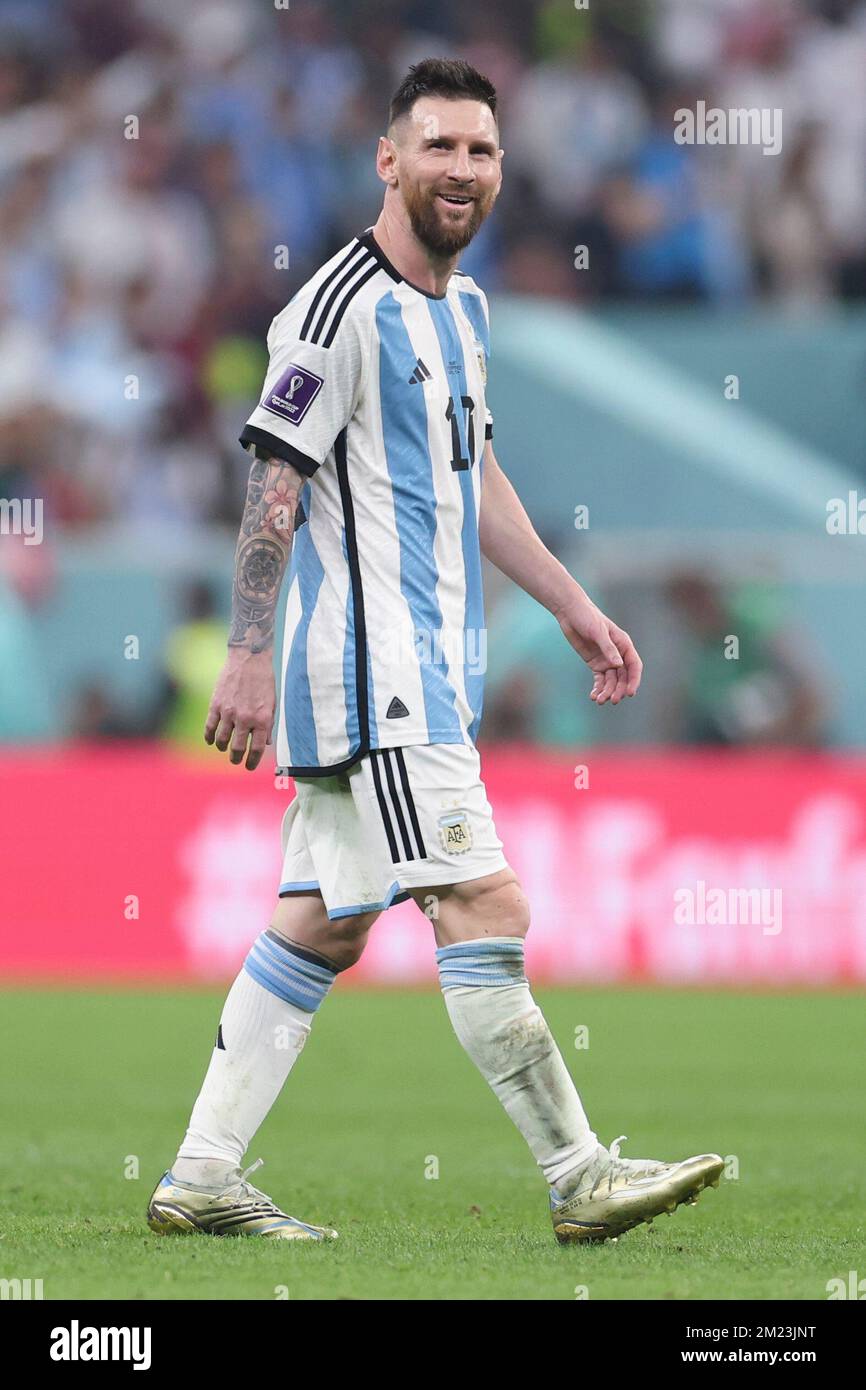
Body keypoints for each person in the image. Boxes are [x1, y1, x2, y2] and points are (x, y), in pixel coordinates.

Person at [147, 59, 723, 1246]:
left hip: (421, 667)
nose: (461, 170)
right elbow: (274, 482)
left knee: (324, 918)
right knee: (481, 896)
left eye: (480, 150)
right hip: (372, 670)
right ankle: (577, 1174)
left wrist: (566, 600)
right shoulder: (331, 308)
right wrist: (245, 655)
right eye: (439, 147)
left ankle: (200, 1174)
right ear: (387, 160)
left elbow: (476, 478)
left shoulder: (463, 310)